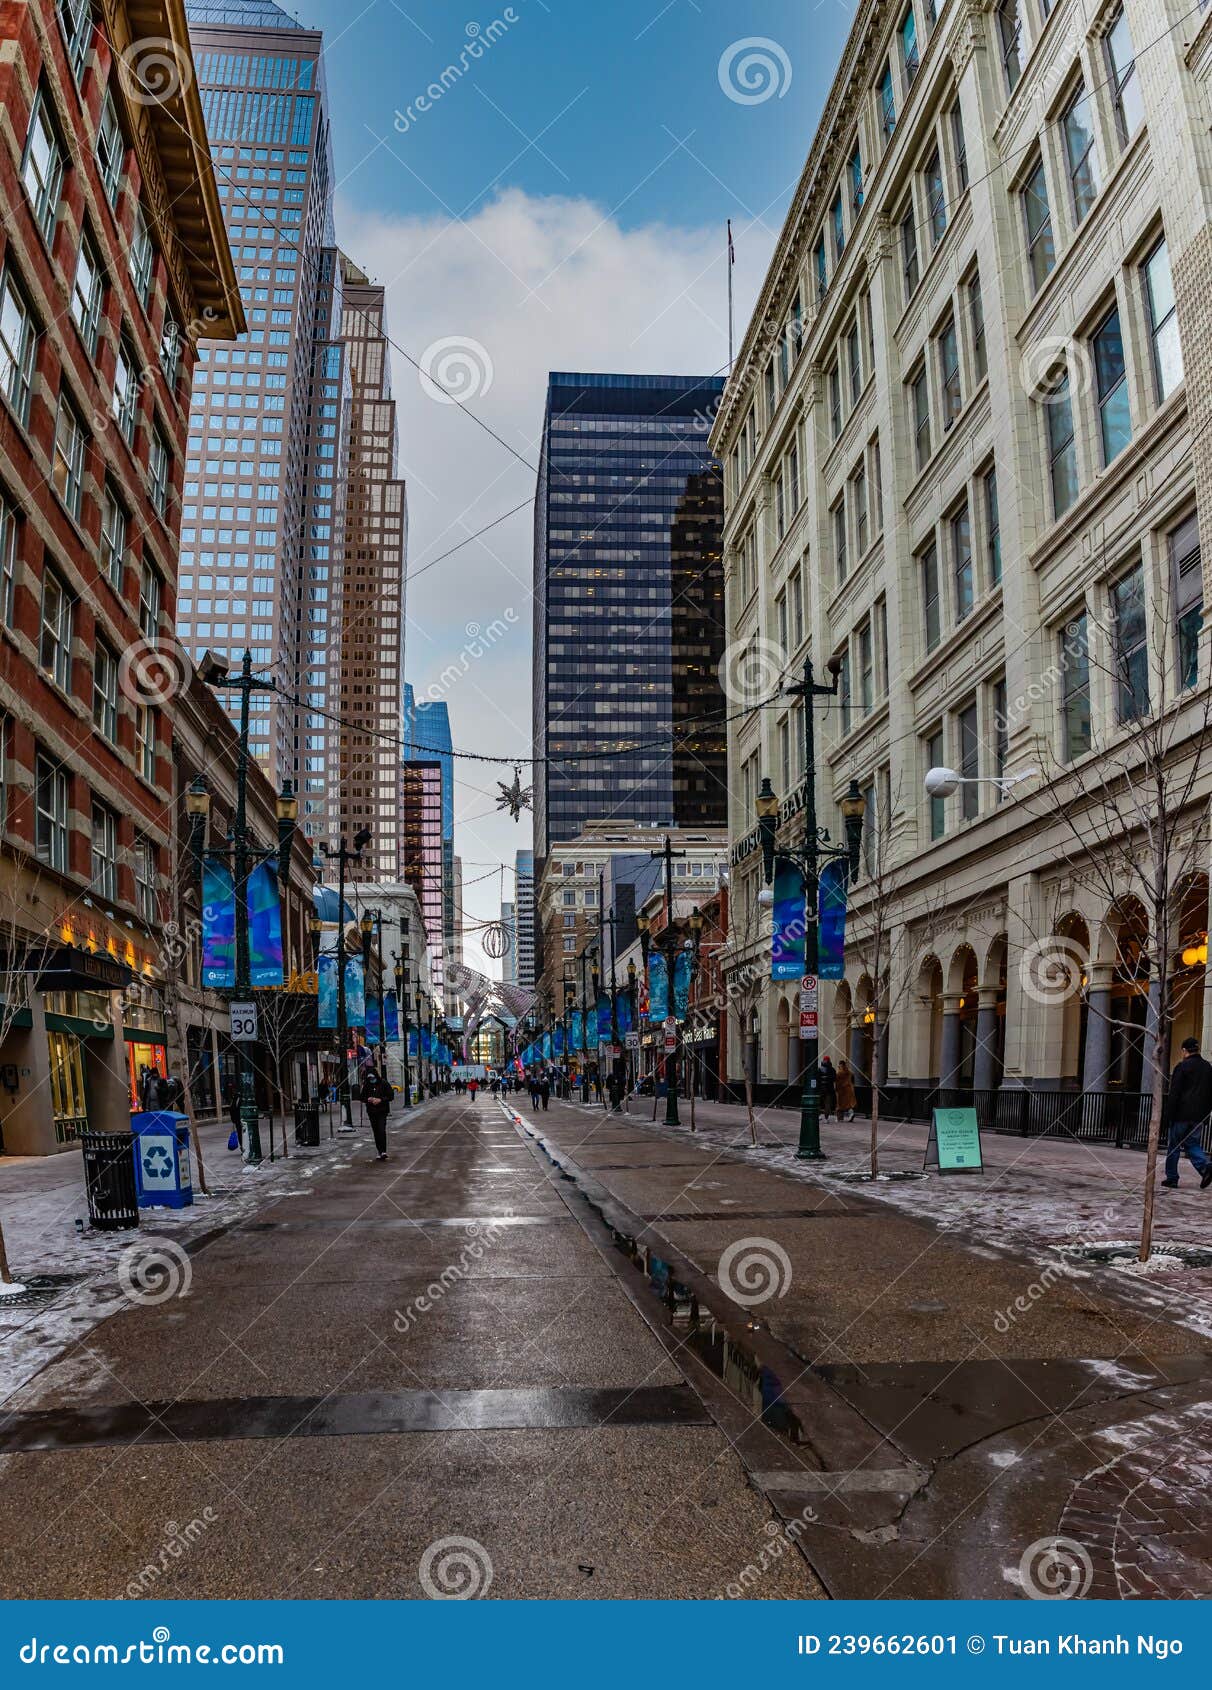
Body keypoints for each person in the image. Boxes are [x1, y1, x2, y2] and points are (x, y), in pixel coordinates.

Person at [1163, 1036, 1212, 1189]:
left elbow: (1175, 1094)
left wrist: (1168, 1115)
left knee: (1174, 1146)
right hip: (1199, 1115)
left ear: (1184, 1050)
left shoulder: (1182, 1067)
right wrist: (1206, 1114)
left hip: (1181, 1115)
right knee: (1192, 1143)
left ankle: (1172, 1178)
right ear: (1197, 1049)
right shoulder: (1208, 1067)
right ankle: (1206, 1168)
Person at [361, 1066, 393, 1160]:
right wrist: (368, 1099)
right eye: (369, 1078)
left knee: (381, 1130)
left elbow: (390, 1096)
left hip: (382, 1111)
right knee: (376, 1132)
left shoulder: (383, 1083)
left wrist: (380, 1100)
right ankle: (379, 1150)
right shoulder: (367, 1085)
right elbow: (362, 1097)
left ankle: (383, 1151)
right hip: (372, 1111)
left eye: (372, 1078)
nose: (371, 1079)